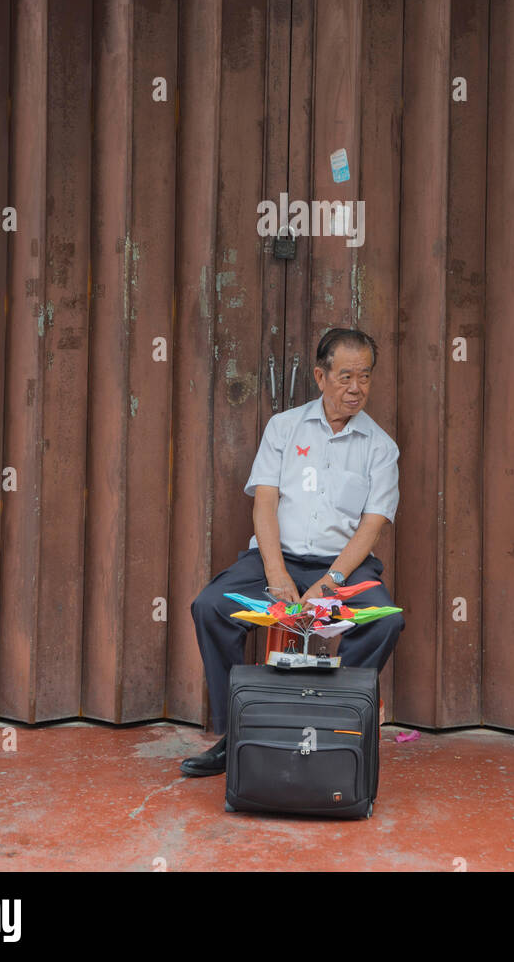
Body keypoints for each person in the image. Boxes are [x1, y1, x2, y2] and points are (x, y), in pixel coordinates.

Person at [180, 326, 403, 776]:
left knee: (386, 621)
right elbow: (264, 502)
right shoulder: (284, 427)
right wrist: (276, 573)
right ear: (320, 377)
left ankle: (323, 718)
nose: (356, 388)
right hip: (275, 560)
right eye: (344, 377)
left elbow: (372, 527)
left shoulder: (380, 448)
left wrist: (329, 582)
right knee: (210, 607)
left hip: (340, 570)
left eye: (365, 376)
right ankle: (235, 733)